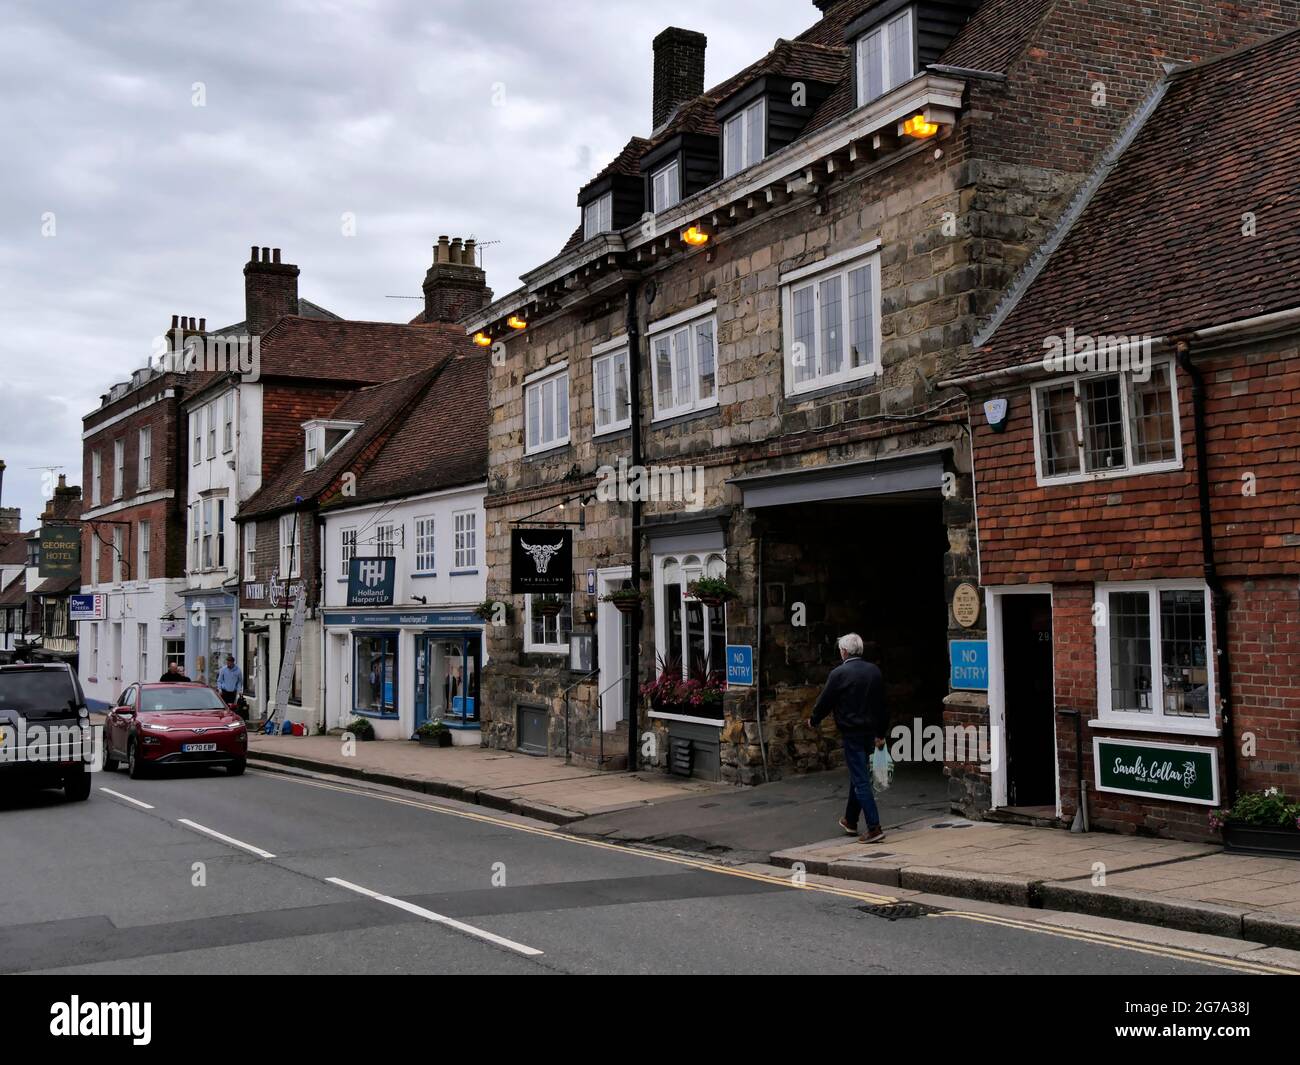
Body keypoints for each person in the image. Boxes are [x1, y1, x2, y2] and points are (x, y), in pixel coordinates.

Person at [806, 633, 889, 844]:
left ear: (844, 651)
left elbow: (825, 701)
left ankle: (874, 827)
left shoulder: (839, 674)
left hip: (852, 733)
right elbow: (882, 706)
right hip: (870, 733)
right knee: (859, 775)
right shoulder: (874, 671)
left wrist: (814, 720)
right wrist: (881, 733)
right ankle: (850, 820)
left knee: (861, 779)